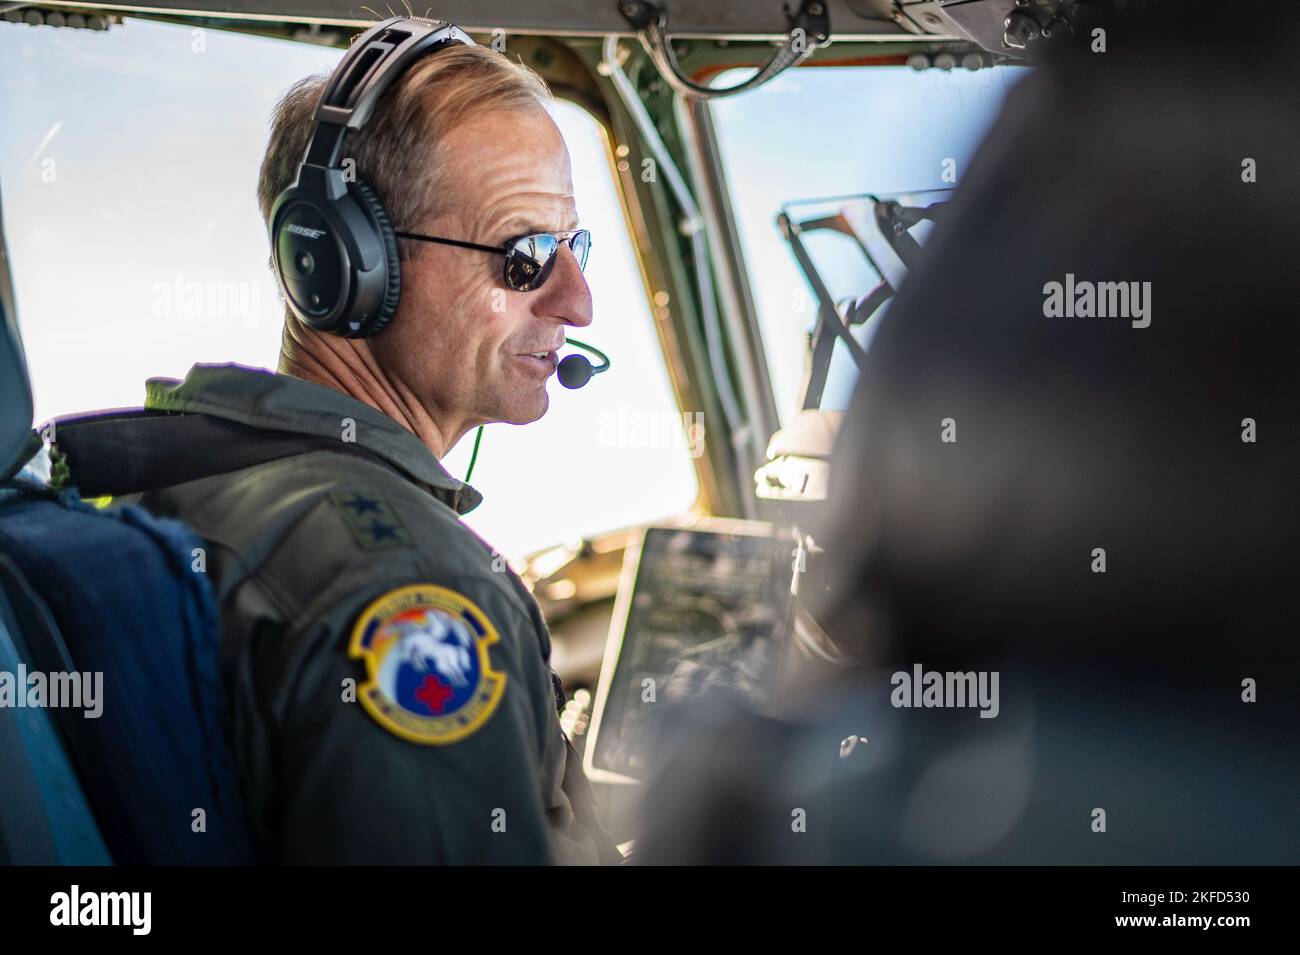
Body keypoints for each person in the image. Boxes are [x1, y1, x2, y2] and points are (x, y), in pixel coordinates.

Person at [54, 18, 619, 864]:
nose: (578, 304)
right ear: (346, 265)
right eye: (526, 254)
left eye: (573, 244)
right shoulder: (411, 592)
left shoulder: (165, 474)